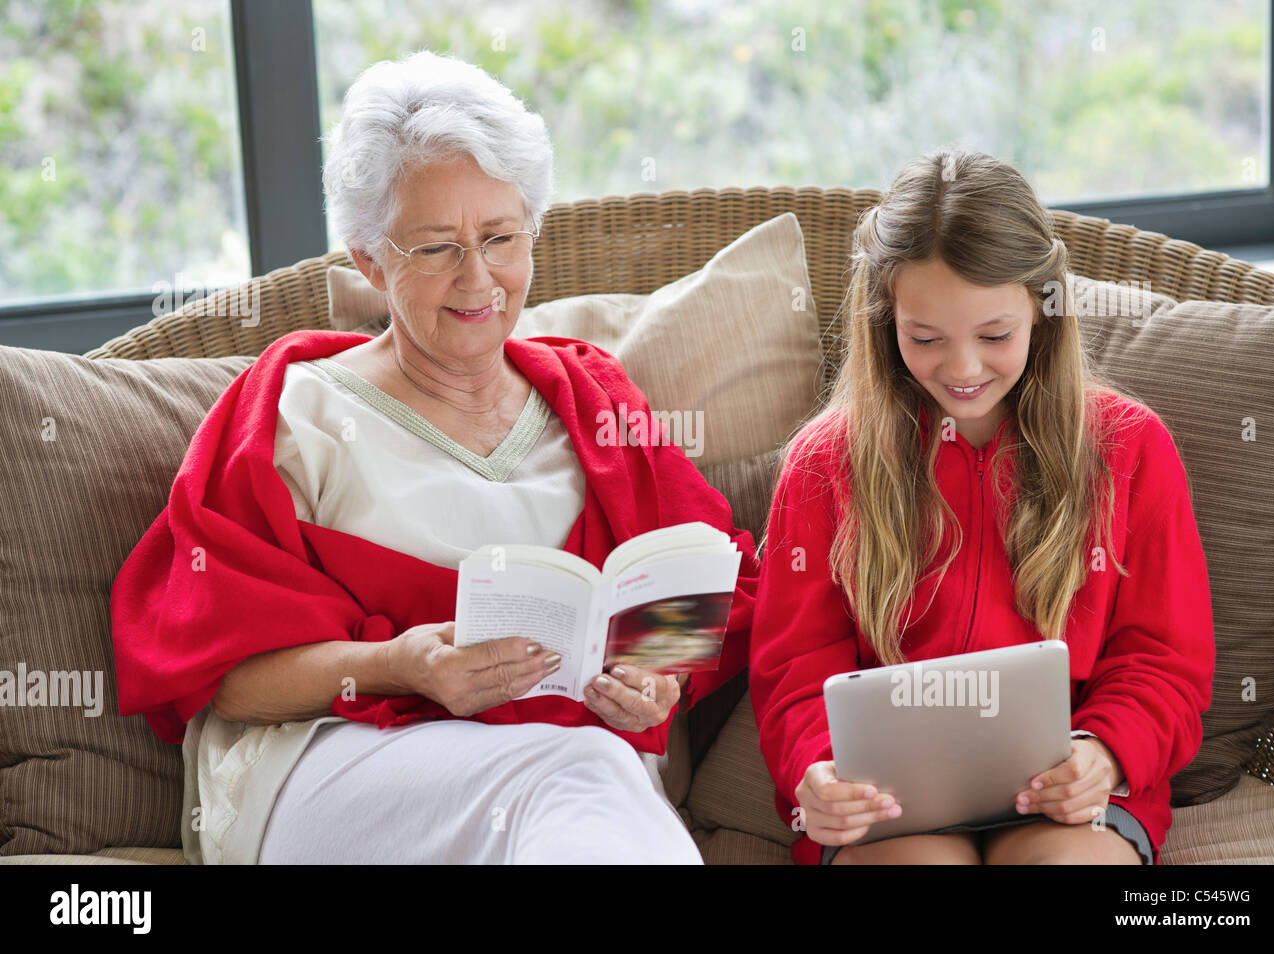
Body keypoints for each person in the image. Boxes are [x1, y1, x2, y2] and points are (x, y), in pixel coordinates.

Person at [109, 50, 758, 865]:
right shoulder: (293, 409)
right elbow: (223, 673)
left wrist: (655, 683)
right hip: (332, 765)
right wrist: (398, 665)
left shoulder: (591, 400)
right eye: (435, 248)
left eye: (499, 237)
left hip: (563, 776)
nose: (478, 278)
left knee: (589, 772)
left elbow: (707, 580)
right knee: (584, 771)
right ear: (369, 259)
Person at [747, 148, 1215, 865]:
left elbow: (1164, 659)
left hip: (1072, 800)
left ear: (1043, 311)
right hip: (889, 807)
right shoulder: (823, 463)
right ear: (884, 322)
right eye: (925, 339)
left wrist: (1106, 753)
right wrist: (816, 767)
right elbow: (793, 667)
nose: (963, 370)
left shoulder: (1131, 448)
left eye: (995, 336)